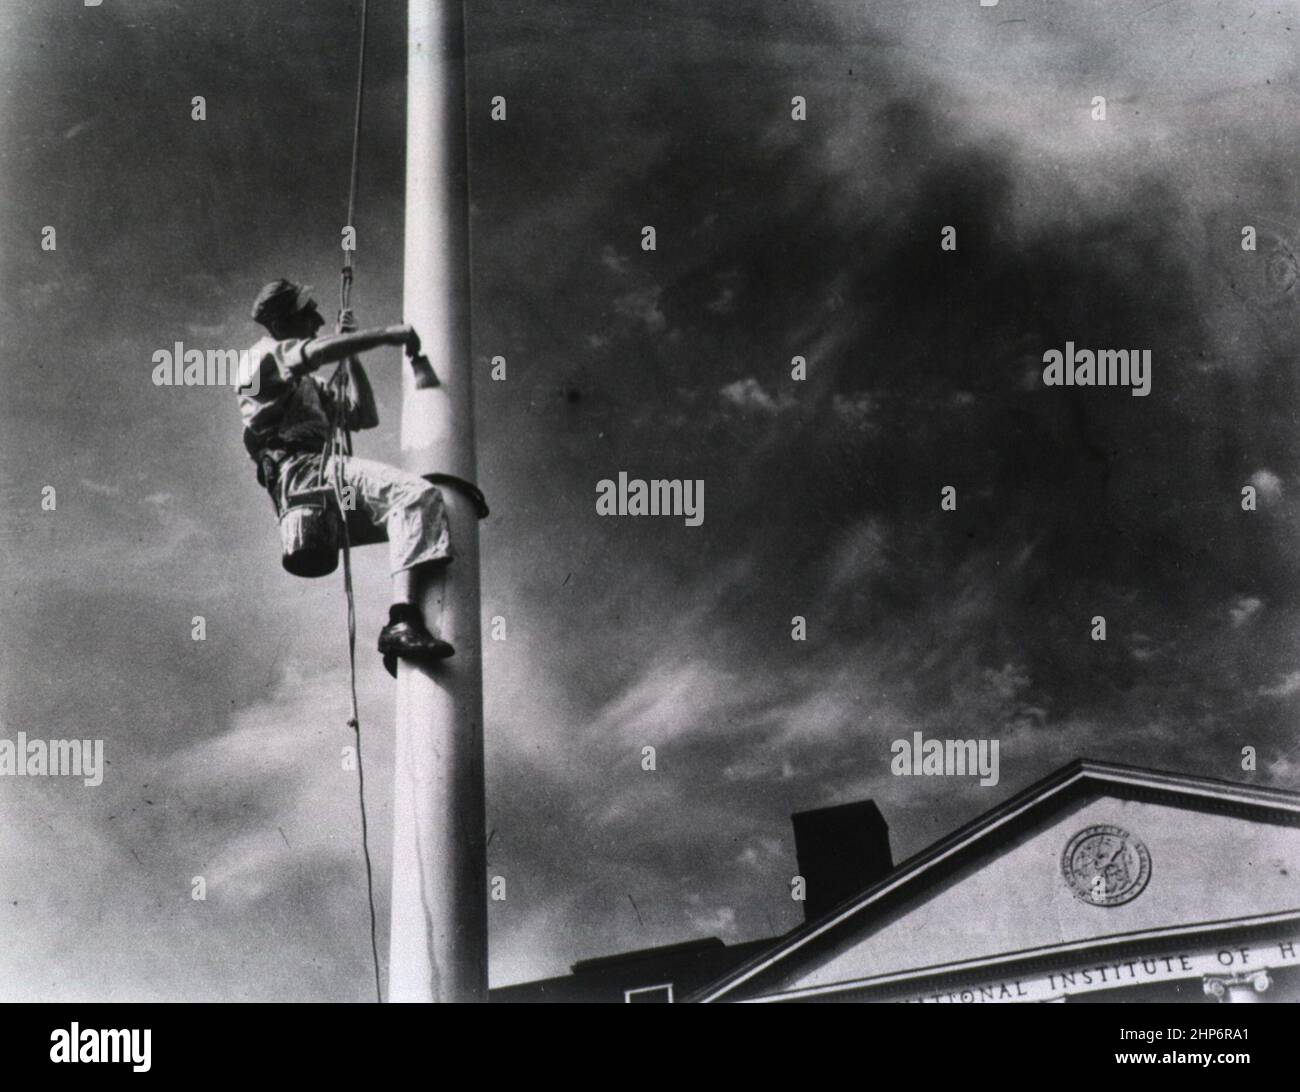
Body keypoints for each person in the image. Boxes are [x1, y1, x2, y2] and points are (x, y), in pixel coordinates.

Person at [238, 278, 454, 677]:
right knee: (414, 496)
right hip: (303, 474)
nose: (319, 319)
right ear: (285, 321)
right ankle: (402, 620)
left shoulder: (308, 386)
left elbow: (363, 416)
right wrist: (387, 335)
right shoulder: (260, 359)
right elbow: (314, 352)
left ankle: (404, 622)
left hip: (321, 485)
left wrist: (351, 355)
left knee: (413, 515)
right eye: (309, 312)